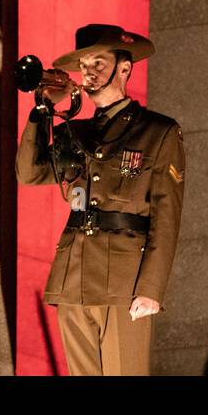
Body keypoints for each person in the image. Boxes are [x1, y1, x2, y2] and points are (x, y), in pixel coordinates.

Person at [16, 24, 186, 375]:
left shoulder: (158, 131)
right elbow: (29, 172)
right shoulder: (75, 132)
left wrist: (151, 288)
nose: (88, 72)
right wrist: (43, 109)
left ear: (124, 68)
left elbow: (166, 217)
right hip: (73, 278)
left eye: (99, 63)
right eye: (85, 64)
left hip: (125, 282)